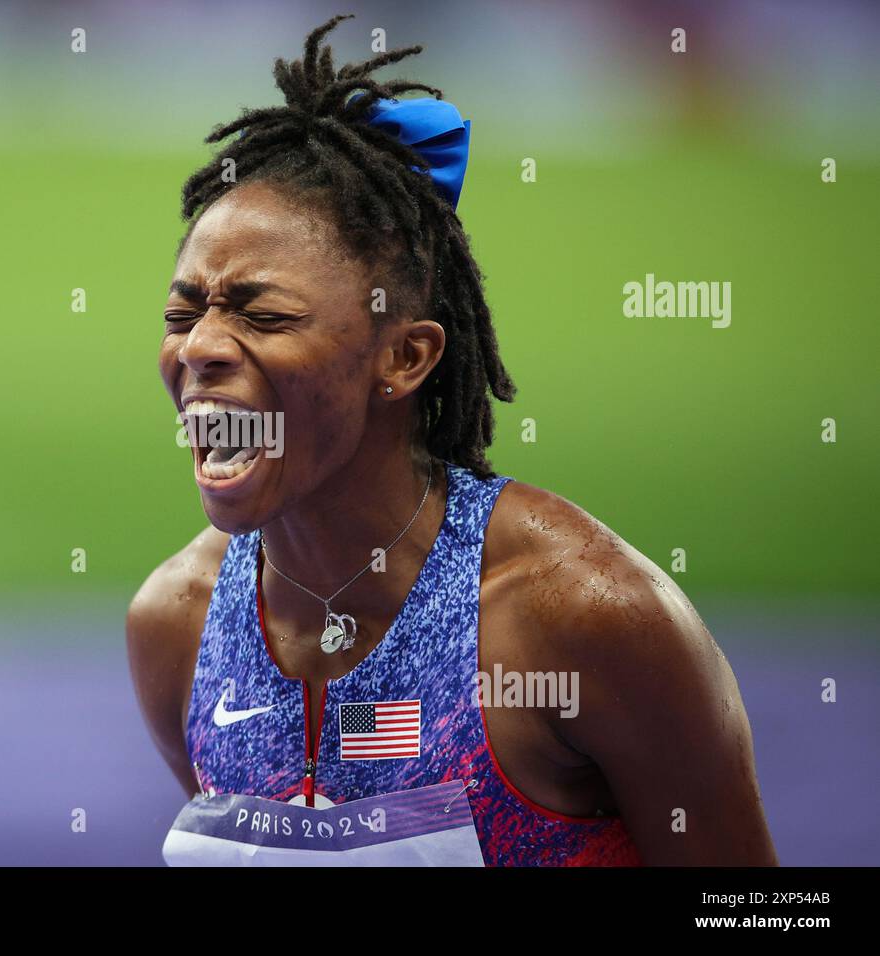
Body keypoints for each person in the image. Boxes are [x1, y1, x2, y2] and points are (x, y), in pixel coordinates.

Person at [126, 16, 777, 866]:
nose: (201, 347)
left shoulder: (579, 617)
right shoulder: (178, 625)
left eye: (264, 315)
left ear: (404, 356)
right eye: (184, 313)